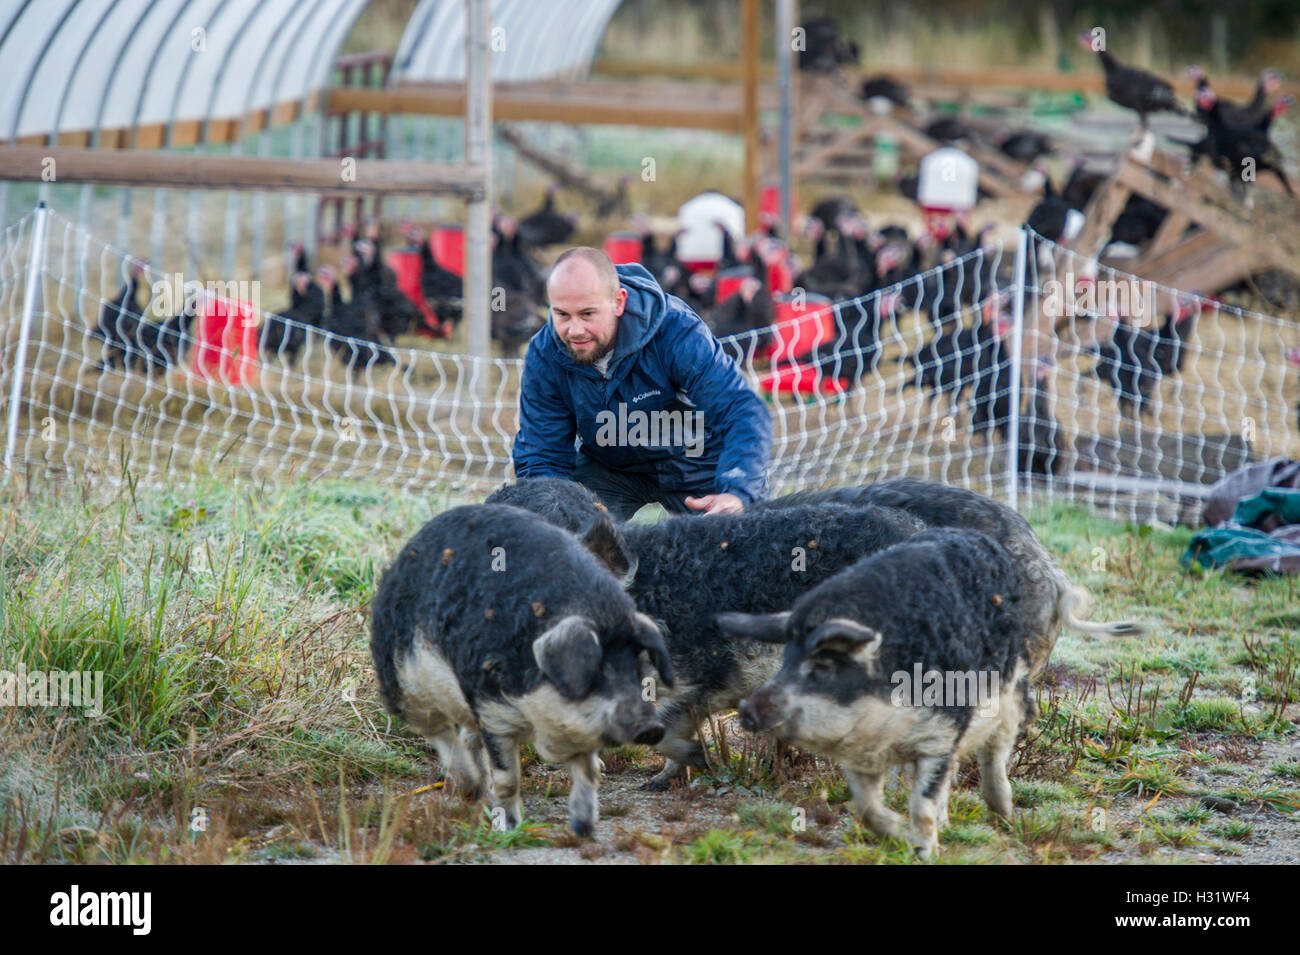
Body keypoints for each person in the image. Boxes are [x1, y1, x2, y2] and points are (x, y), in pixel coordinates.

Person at [512, 246, 771, 519]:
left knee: (735, 537)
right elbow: (542, 451)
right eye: (562, 315)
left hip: (696, 459)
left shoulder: (676, 329)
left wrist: (737, 490)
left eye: (588, 314)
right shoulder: (545, 351)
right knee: (560, 535)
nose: (575, 330)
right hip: (609, 467)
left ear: (619, 302)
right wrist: (551, 516)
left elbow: (741, 409)